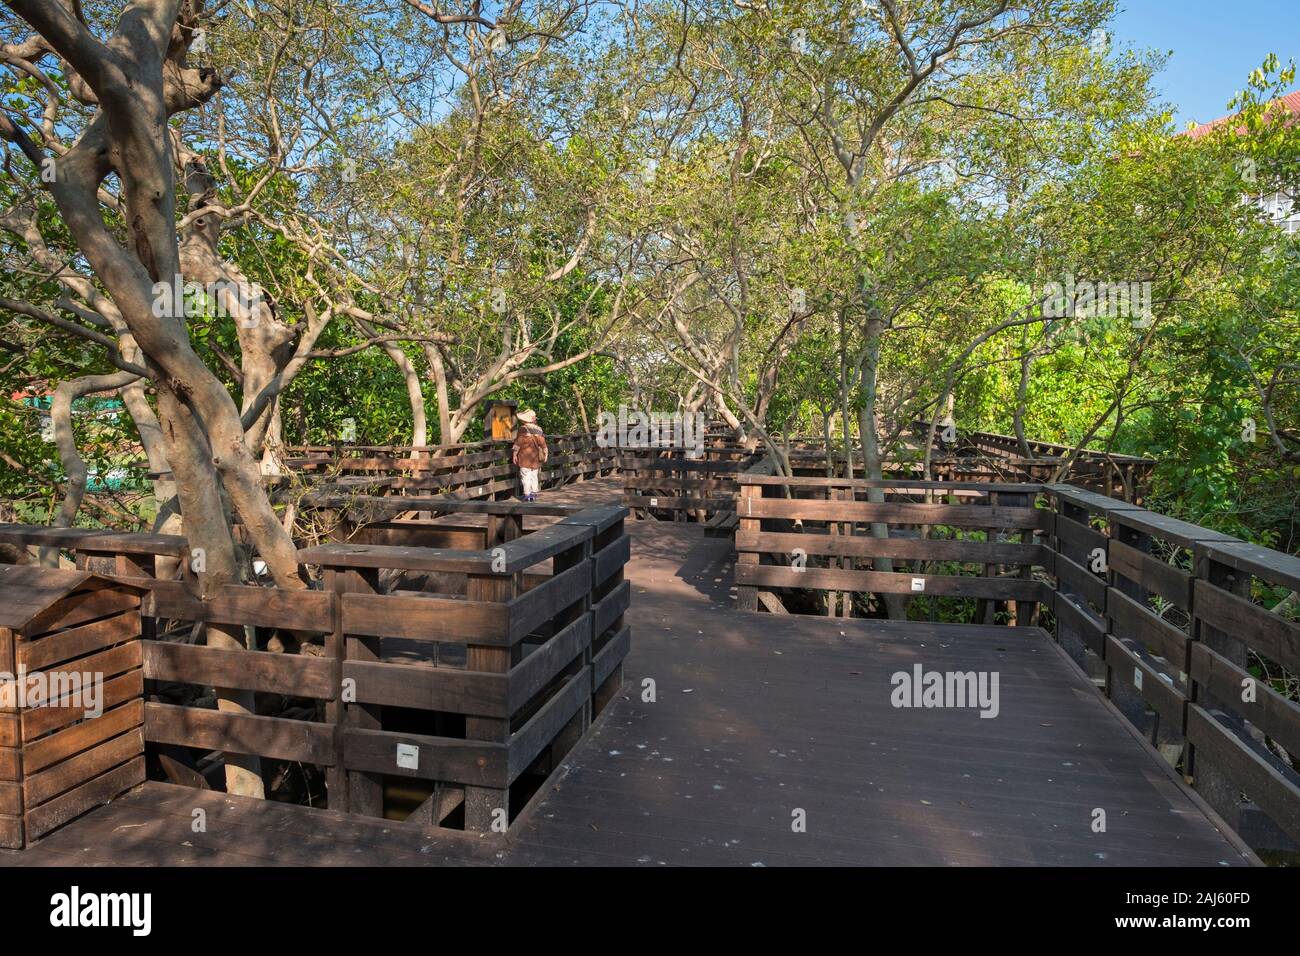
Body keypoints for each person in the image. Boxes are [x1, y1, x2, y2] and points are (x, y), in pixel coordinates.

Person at [511, 408, 548, 501]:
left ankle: (527, 495)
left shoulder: (522, 429)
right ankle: (534, 494)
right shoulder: (539, 430)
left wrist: (514, 455)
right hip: (535, 458)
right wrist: (546, 455)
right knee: (534, 476)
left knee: (525, 476)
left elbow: (518, 443)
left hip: (524, 457)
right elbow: (543, 444)